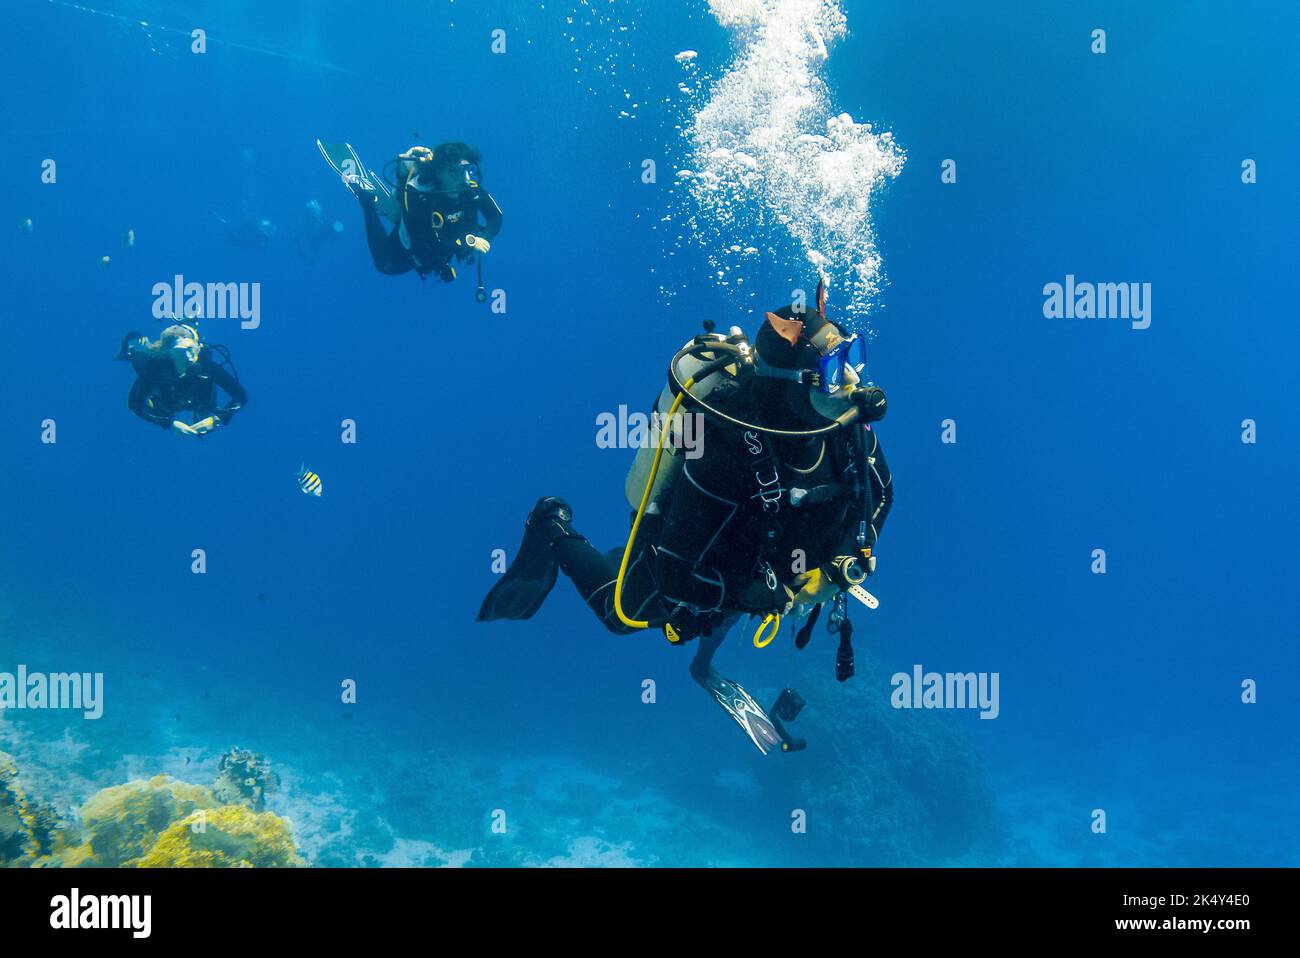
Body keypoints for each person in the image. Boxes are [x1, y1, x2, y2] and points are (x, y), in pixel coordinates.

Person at [478, 278, 893, 753]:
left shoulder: (844, 427)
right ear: (793, 384)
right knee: (625, 613)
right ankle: (552, 524)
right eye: (834, 370)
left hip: (766, 559)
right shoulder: (725, 451)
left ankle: (704, 663)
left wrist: (845, 557)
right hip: (698, 554)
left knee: (737, 599)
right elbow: (677, 576)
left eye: (853, 360)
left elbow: (883, 494)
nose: (853, 385)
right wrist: (762, 595)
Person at [344, 142, 502, 284]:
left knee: (415, 227)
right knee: (385, 265)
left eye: (469, 169)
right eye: (455, 171)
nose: (464, 177)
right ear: (439, 171)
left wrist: (484, 237)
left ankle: (397, 209)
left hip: (447, 242)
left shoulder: (470, 187)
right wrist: (470, 242)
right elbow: (425, 243)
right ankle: (367, 204)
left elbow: (495, 216)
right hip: (414, 244)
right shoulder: (420, 195)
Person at [115, 324, 247, 437]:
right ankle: (131, 351)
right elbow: (134, 405)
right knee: (141, 358)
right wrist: (168, 422)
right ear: (169, 353)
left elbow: (241, 396)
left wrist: (217, 419)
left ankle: (202, 412)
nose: (190, 357)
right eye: (181, 352)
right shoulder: (155, 369)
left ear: (197, 347)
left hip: (200, 402)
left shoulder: (206, 365)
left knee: (205, 405)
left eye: (192, 349)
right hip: (166, 404)